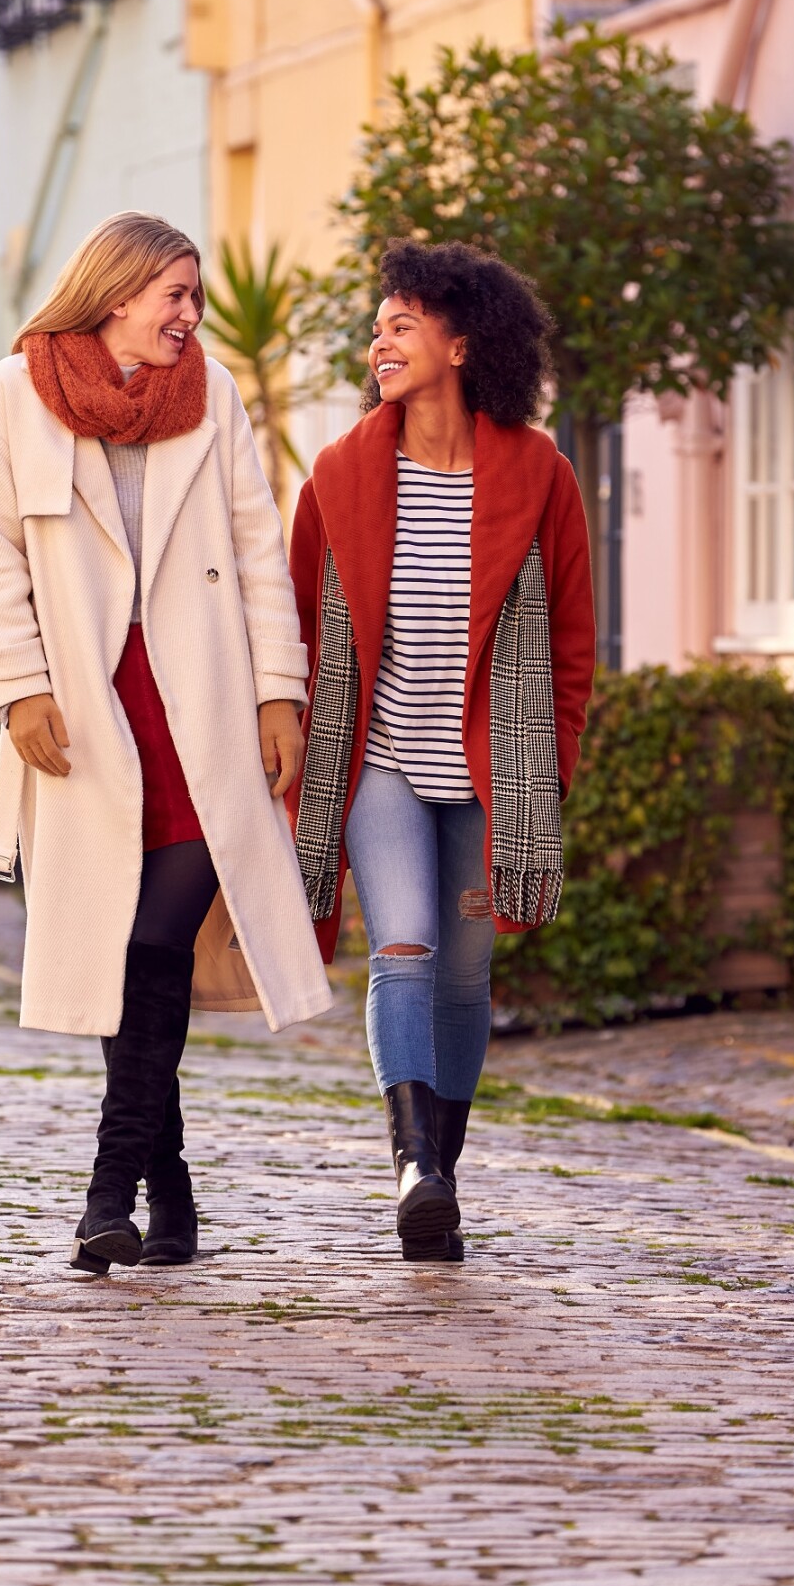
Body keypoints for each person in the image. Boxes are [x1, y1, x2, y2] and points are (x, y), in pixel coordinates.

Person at [0, 211, 331, 1274]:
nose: (191, 314)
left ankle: (106, 1195)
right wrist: (18, 688)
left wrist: (278, 694)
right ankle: (164, 1190)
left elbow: (258, 551)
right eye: (176, 293)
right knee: (119, 949)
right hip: (84, 717)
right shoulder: (14, 395)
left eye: (198, 296)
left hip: (199, 710)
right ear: (117, 294)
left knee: (150, 944)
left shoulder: (213, 396)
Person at [289, 239, 595, 1262]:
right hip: (378, 761)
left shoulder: (540, 474)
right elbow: (299, 625)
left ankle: (442, 1184)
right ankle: (414, 1168)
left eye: (403, 325)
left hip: (488, 772)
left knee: (466, 977)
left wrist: (548, 767)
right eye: (377, 327)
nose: (379, 341)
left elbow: (572, 643)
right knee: (405, 949)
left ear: (461, 346)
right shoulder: (339, 474)